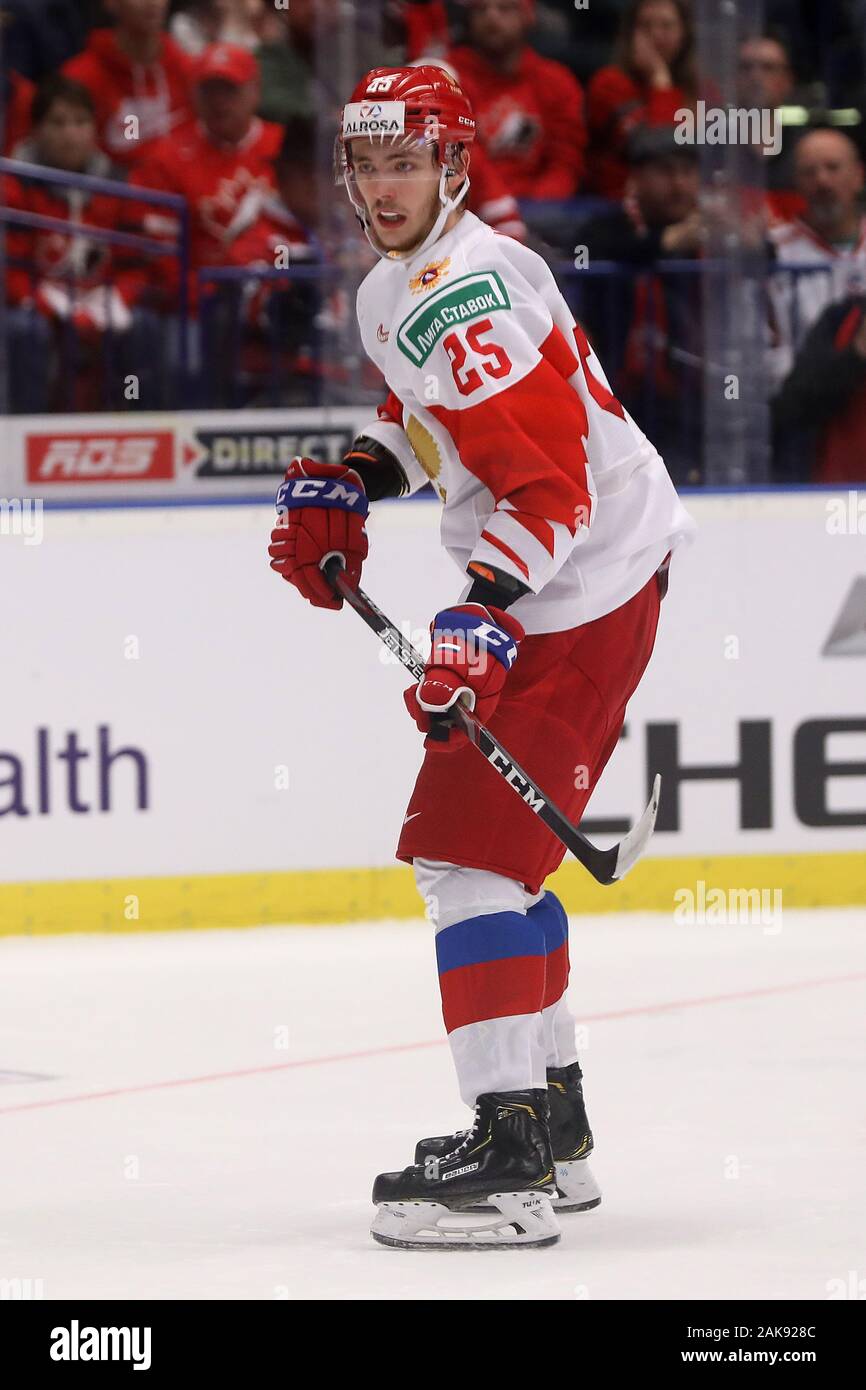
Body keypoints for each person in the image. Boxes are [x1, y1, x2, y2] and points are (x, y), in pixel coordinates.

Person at [268, 65, 694, 1250]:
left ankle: (508, 1158)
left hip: (581, 585)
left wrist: (482, 611)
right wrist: (352, 475)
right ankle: (551, 1134)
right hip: (590, 576)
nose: (381, 184)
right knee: (496, 865)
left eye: (405, 161)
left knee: (465, 865)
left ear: (452, 164)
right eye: (365, 163)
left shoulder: (455, 286)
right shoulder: (410, 282)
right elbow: (439, 416)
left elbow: (546, 483)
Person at [2, 75, 154, 411]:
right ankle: (26, 430)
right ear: (37, 130)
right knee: (24, 330)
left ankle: (136, 422)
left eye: (80, 122)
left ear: (94, 131)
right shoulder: (13, 186)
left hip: (100, 297)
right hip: (37, 302)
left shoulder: (118, 185)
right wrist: (54, 307)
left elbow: (135, 268)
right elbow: (10, 274)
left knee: (143, 325)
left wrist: (114, 301)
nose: (70, 134)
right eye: (57, 123)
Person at [447, 0, 585, 200]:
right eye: (481, 10)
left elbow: (565, 164)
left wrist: (533, 208)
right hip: (469, 204)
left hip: (540, 209)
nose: (491, 17)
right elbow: (452, 159)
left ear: (528, 16)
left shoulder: (557, 82)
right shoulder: (448, 76)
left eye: (505, 8)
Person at [767, 127, 866, 389]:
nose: (822, 181)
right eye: (809, 172)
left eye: (833, 168)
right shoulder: (772, 250)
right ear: (796, 183)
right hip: (803, 403)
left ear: (858, 176)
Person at [62, 0, 194, 169]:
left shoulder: (187, 69)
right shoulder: (80, 78)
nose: (153, 3)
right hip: (110, 188)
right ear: (111, 3)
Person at [586, 0, 695, 199]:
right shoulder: (609, 84)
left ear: (684, 34)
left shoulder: (701, 91)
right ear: (630, 34)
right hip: (619, 207)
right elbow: (657, 152)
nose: (656, 34)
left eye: (666, 26)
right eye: (645, 26)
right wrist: (660, 80)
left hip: (686, 206)